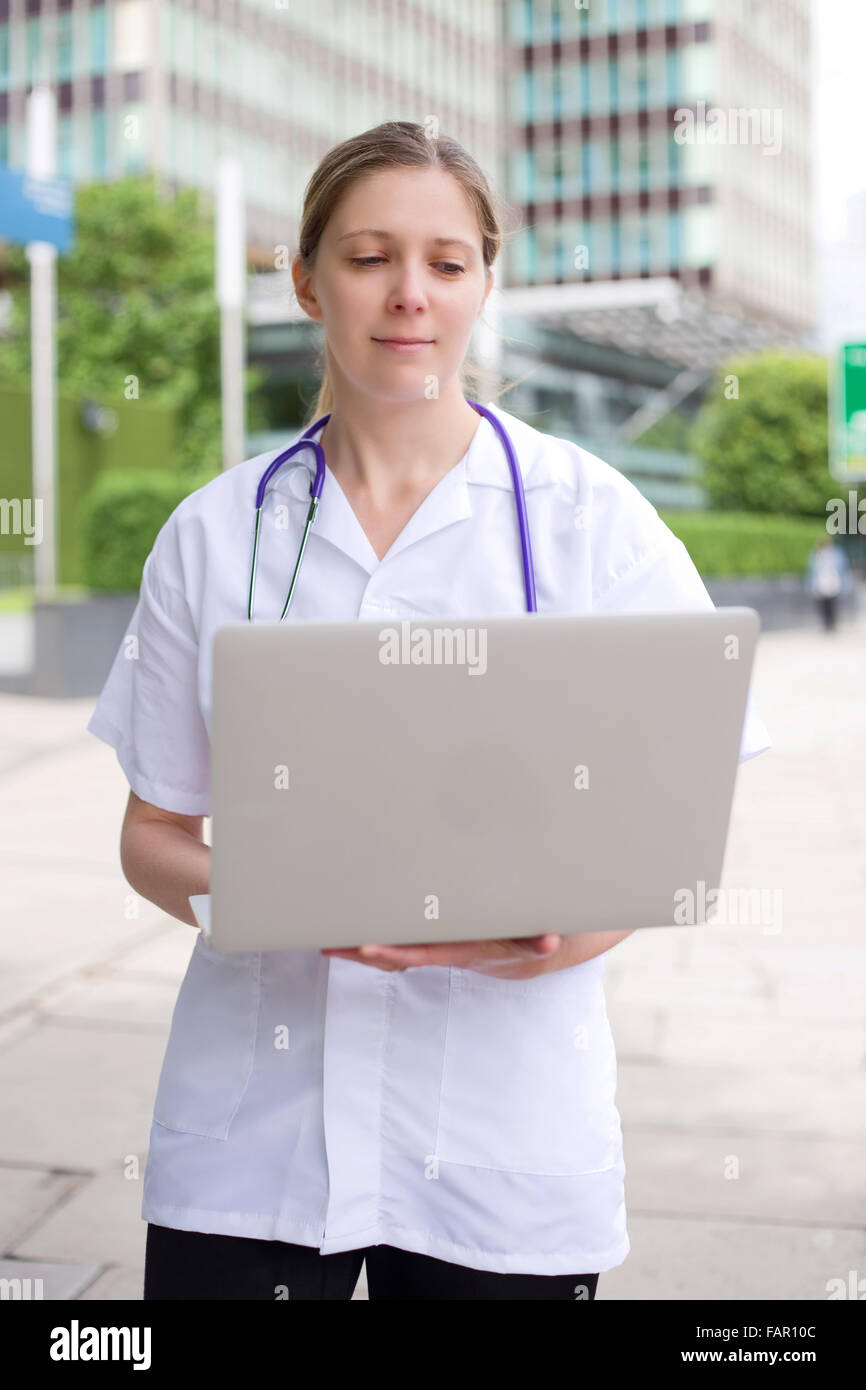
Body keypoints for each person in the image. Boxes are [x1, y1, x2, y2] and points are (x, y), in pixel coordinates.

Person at [86, 121, 772, 1301]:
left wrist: (568, 931)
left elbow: (670, 831)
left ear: (482, 285)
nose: (409, 295)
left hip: (503, 1147)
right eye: (367, 258)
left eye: (446, 263)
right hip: (254, 1139)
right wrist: (265, 897)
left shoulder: (589, 522)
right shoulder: (214, 533)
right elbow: (153, 834)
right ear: (304, 279)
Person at [806, 534, 853, 631]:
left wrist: (846, 583)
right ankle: (826, 624)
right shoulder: (816, 554)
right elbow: (811, 571)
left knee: (833, 605)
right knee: (823, 606)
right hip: (821, 584)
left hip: (834, 583)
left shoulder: (837, 554)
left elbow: (844, 569)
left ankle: (832, 624)